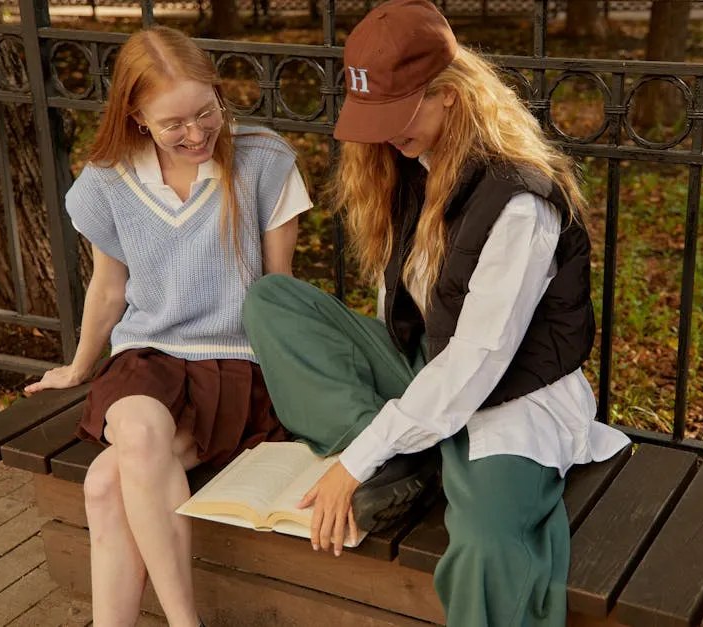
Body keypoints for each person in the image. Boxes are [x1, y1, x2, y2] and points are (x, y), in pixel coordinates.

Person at [242, 0, 631, 624]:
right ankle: (413, 457)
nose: (390, 132)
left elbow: (479, 362)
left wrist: (354, 462)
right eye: (377, 115)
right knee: (273, 301)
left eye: (402, 111)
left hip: (512, 398)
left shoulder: (517, 202)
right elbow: (413, 319)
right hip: (430, 370)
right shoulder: (408, 168)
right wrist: (383, 435)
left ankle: (404, 457)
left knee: (488, 547)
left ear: (451, 93)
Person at [24, 25, 312, 627]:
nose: (198, 133)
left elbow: (277, 292)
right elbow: (109, 287)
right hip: (148, 358)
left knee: (106, 488)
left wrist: (300, 390)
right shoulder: (109, 180)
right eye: (174, 123)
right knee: (139, 431)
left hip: (236, 361)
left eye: (206, 111)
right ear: (136, 116)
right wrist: (79, 367)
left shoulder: (262, 158)